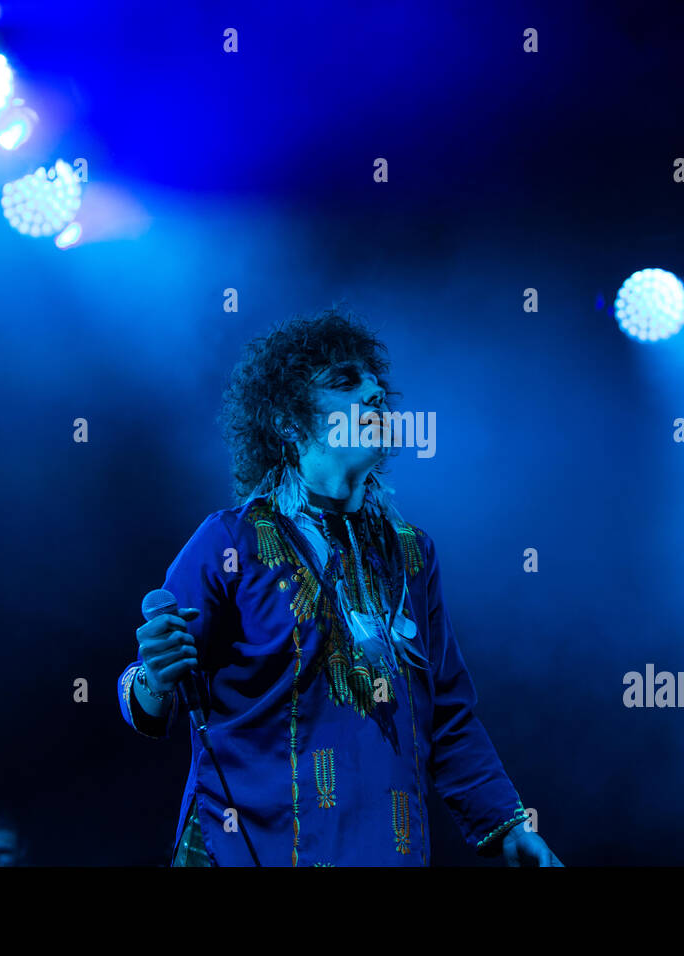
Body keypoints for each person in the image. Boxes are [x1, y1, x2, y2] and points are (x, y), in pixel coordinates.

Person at [118, 307, 561, 867]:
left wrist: (510, 825)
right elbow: (140, 690)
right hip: (247, 850)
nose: (376, 393)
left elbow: (447, 712)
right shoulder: (230, 541)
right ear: (288, 421)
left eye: (377, 384)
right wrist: (156, 677)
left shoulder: (412, 554)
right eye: (346, 383)